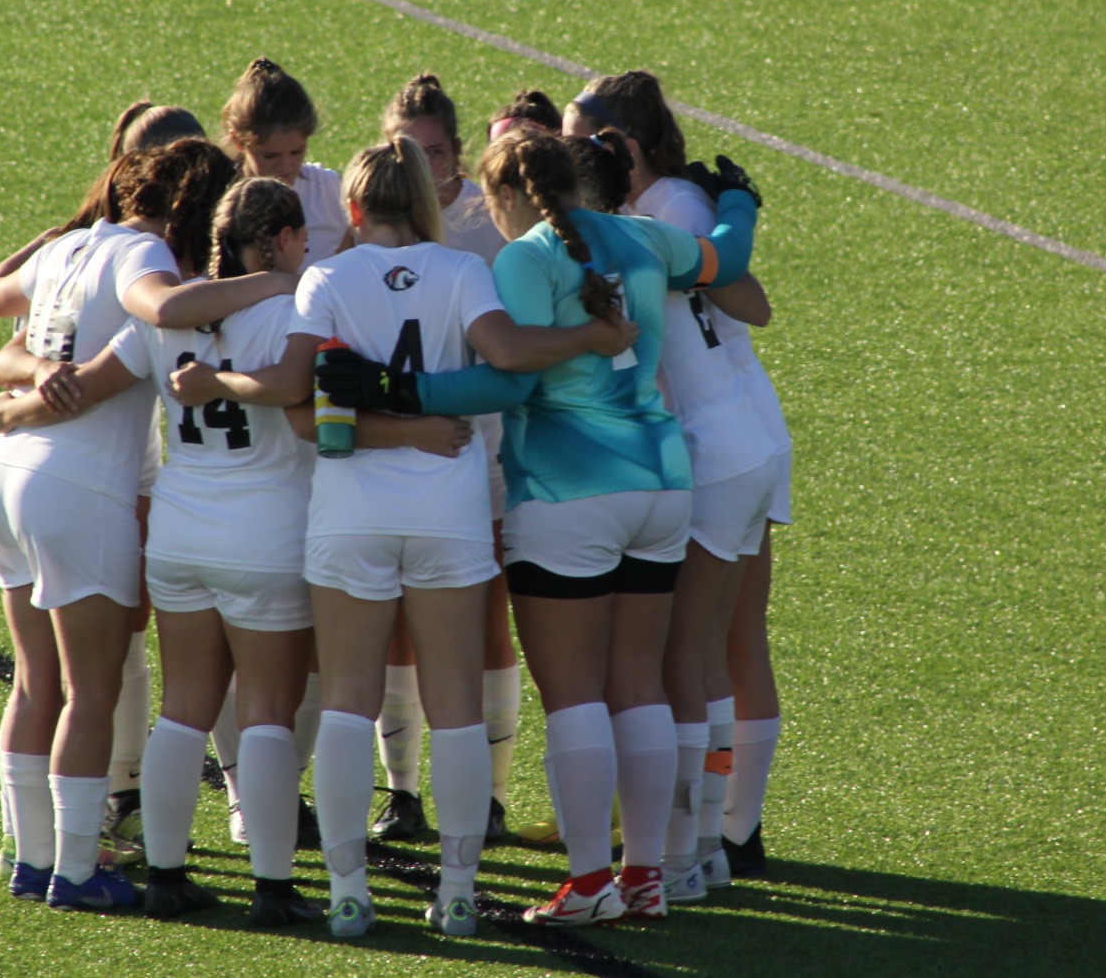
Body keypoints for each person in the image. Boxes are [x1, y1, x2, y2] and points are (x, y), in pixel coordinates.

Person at [172, 136, 634, 938]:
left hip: (351, 512)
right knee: (454, 705)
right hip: (448, 510)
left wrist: (382, 426)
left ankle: (349, 889)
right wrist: (591, 338)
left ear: (351, 208)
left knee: (349, 703)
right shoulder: (463, 272)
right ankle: (457, 891)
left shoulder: (323, 276)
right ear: (424, 200)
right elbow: (510, 358)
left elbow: (305, 415)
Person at [317, 129, 762, 926]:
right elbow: (725, 261)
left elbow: (512, 378)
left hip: (568, 492)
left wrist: (398, 390)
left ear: (505, 195)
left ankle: (590, 879)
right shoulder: (645, 234)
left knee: (575, 697)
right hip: (663, 482)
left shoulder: (523, 258)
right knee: (639, 683)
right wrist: (737, 200)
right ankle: (647, 875)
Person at [0, 142, 289, 913]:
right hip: (79, 487)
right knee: (91, 688)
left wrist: (17, 396)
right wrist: (282, 279)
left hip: (7, 471)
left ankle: (28, 854)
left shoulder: (72, 243)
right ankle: (76, 870)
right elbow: (167, 308)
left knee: (34, 679)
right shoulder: (143, 253)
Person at [579, 71, 787, 895]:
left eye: (585, 136)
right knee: (706, 651)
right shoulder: (664, 215)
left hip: (713, 445)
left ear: (624, 145)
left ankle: (699, 848)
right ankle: (712, 841)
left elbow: (748, 297)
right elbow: (746, 290)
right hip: (741, 439)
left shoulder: (652, 219)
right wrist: (740, 206)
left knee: (691, 656)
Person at [367, 74, 523, 846]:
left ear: (457, 150)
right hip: (392, 463)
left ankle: (490, 797)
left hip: (478, 453)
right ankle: (401, 793)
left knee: (486, 622)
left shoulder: (490, 224)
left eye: (433, 152)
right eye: (408, 153)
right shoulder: (361, 221)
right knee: (396, 625)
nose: (423, 169)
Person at [223, 57, 348, 266]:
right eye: (270, 156)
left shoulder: (331, 192)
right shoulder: (221, 199)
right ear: (238, 141)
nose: (286, 166)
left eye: (297, 152)